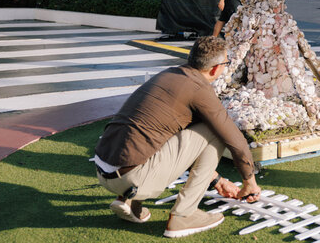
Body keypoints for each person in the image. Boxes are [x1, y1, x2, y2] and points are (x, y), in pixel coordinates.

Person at [93, 36, 261, 238]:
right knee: (215, 131)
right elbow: (234, 139)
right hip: (131, 176)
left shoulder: (170, 74)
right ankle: (183, 216)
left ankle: (129, 200)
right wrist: (249, 181)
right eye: (226, 63)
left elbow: (179, 147)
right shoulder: (199, 89)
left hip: (104, 169)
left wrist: (217, 181)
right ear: (216, 69)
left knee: (155, 133)